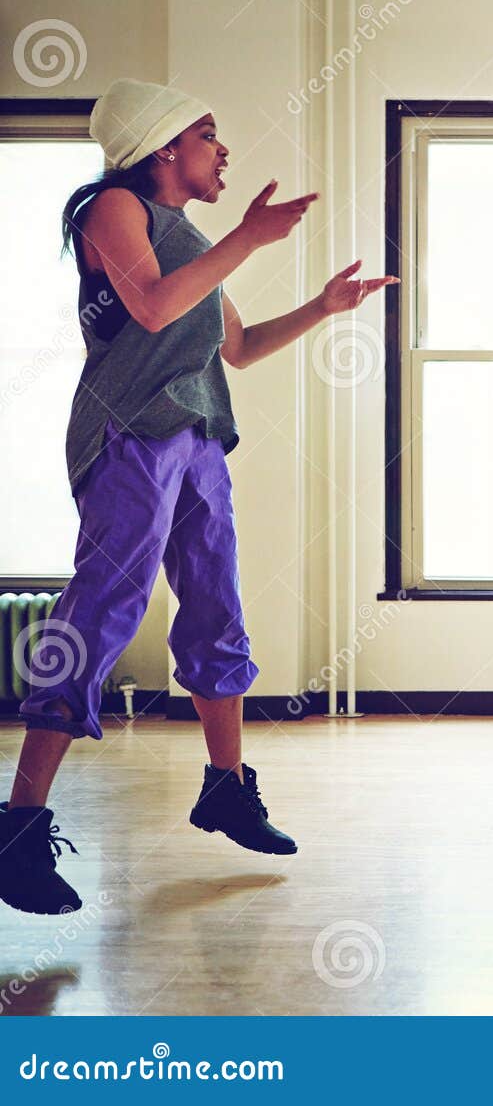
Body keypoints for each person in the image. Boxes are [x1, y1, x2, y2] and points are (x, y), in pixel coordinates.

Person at [0, 78, 395, 916]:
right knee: (104, 607)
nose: (224, 152)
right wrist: (249, 237)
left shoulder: (189, 236)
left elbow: (240, 346)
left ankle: (225, 786)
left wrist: (324, 308)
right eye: (210, 136)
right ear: (164, 147)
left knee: (216, 609)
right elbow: (149, 309)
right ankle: (18, 825)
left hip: (198, 433)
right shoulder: (112, 206)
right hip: (129, 433)